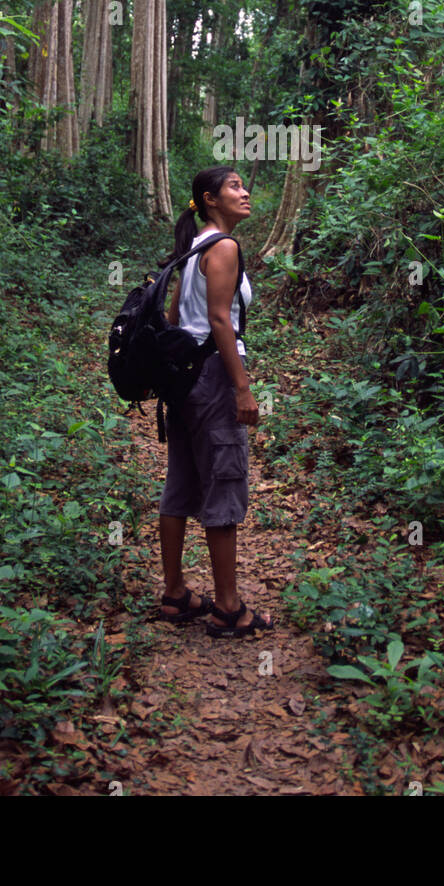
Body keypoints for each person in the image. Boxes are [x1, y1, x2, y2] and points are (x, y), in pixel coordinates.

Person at [156, 166, 274, 638]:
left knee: (182, 480)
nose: (245, 193)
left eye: (243, 186)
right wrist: (241, 386)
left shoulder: (194, 247)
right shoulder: (223, 247)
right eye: (234, 187)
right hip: (213, 376)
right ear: (209, 199)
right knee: (223, 478)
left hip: (184, 378)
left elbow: (171, 316)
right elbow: (221, 321)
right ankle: (228, 607)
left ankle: (175, 594)